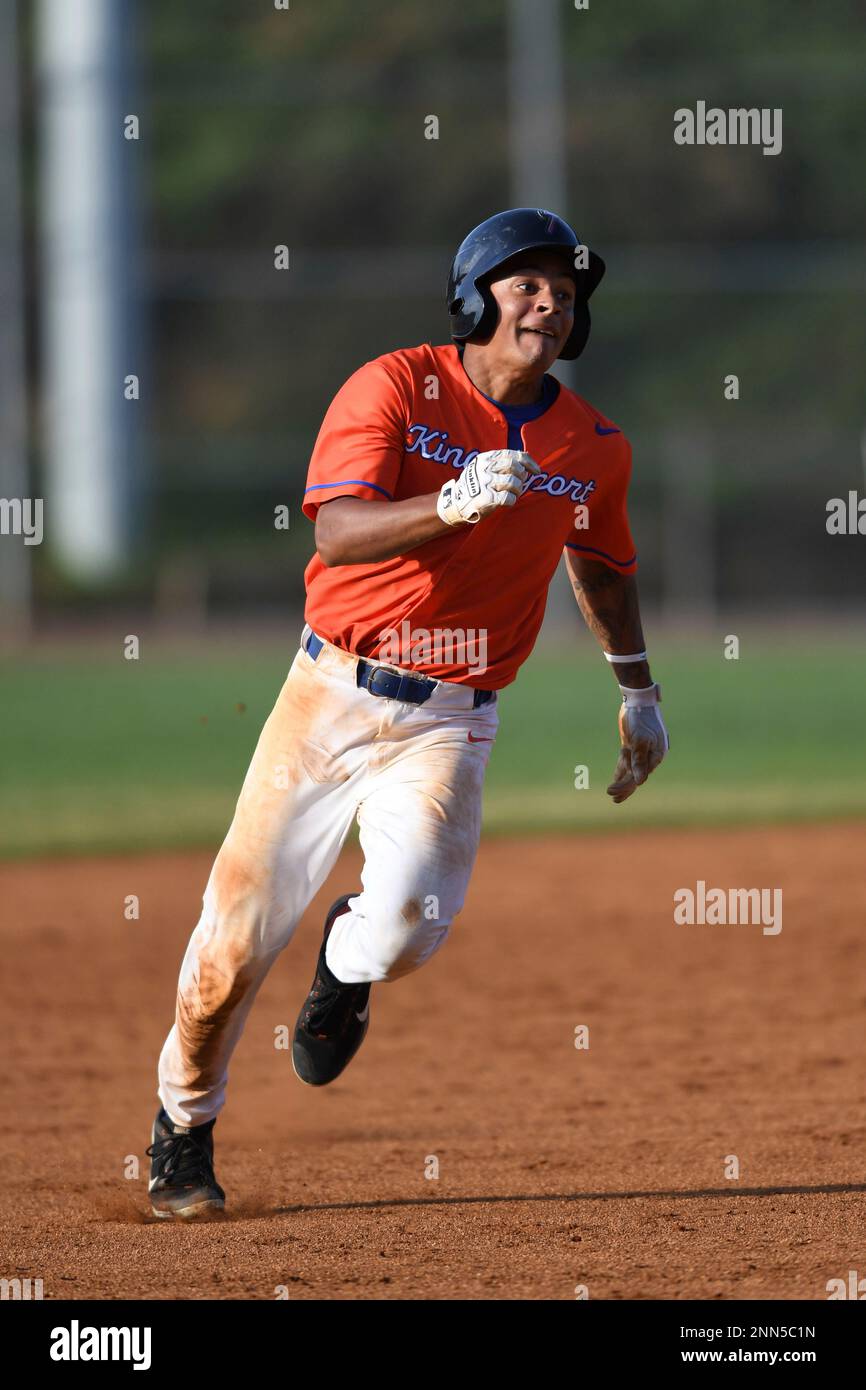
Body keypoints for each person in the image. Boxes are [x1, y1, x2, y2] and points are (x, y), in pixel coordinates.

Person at [146, 208, 668, 1219]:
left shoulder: (592, 446)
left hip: (449, 719)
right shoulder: (394, 384)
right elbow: (337, 532)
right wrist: (454, 503)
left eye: (564, 289)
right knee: (229, 949)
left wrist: (637, 690)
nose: (549, 301)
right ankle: (181, 1126)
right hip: (328, 696)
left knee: (403, 934)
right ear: (475, 294)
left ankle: (344, 965)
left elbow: (602, 567)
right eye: (525, 283)